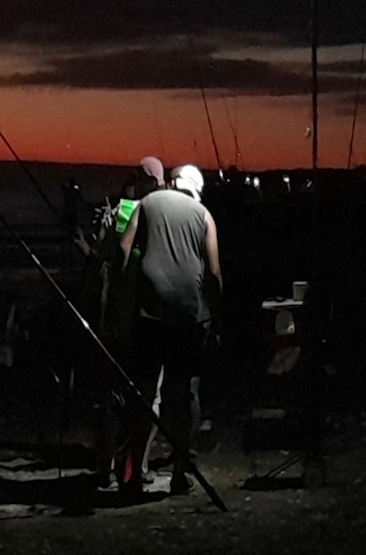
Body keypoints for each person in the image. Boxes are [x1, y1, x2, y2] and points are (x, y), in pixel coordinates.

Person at [120, 164, 222, 496]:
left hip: (149, 314)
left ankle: (135, 473)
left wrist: (124, 295)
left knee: (145, 392)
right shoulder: (205, 215)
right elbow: (214, 274)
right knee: (185, 392)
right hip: (189, 317)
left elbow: (123, 249)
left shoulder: (146, 204)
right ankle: (180, 472)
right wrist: (216, 318)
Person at [72, 156, 164, 491]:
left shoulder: (122, 214)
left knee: (111, 398)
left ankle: (105, 469)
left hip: (117, 323)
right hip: (150, 320)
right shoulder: (161, 213)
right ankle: (137, 469)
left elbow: (103, 256)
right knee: (149, 398)